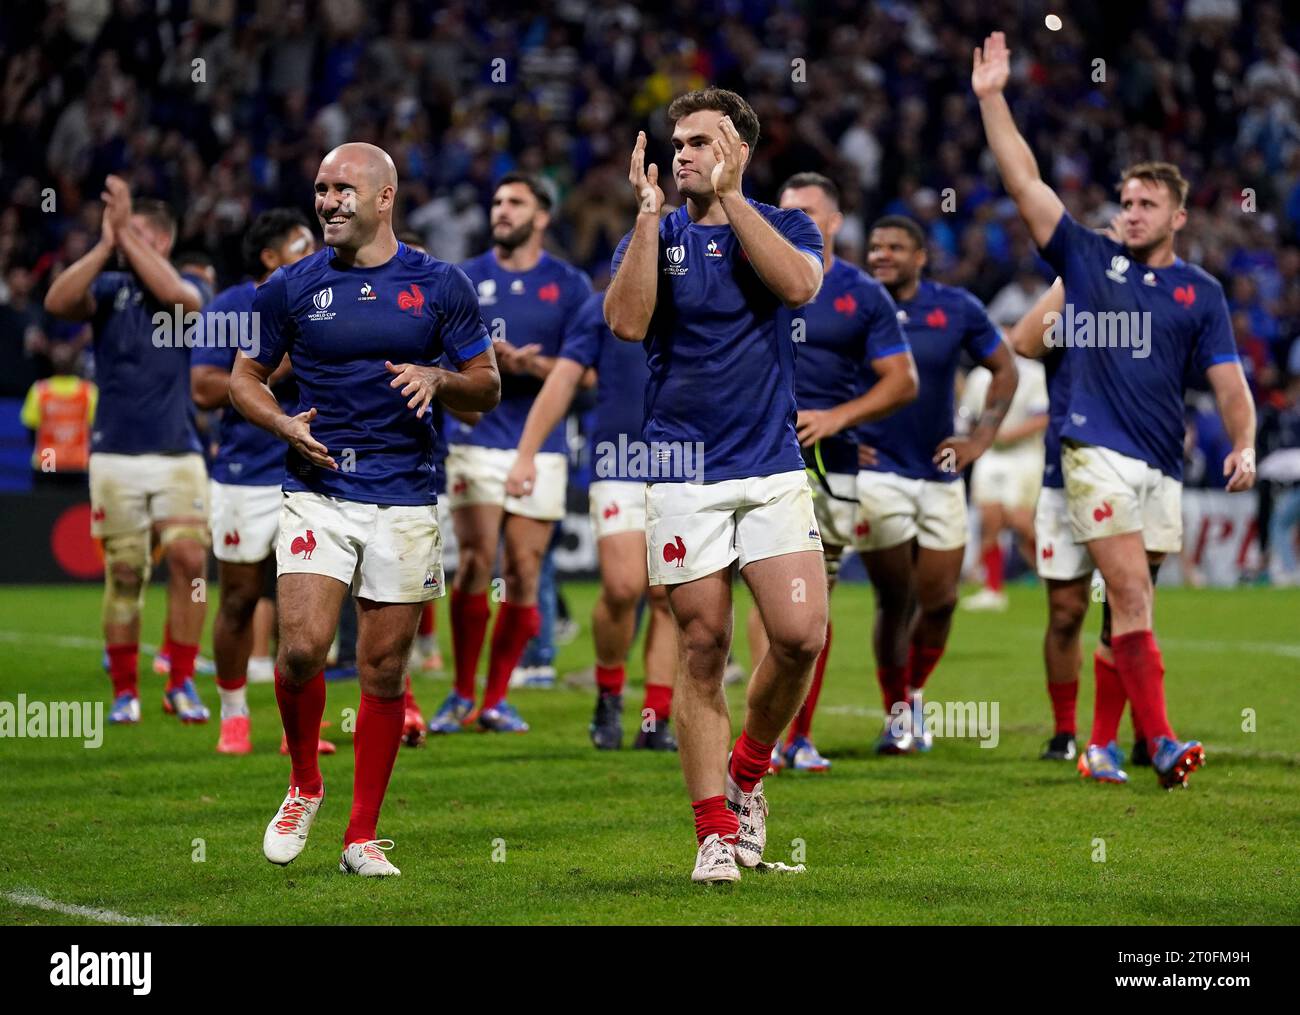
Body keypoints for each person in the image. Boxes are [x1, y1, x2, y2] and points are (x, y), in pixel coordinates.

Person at [974, 31, 1256, 788]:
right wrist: (993, 98)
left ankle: (1102, 745)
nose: (1129, 211)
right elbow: (1027, 182)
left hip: (1161, 460)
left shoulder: (1202, 293)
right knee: (1111, 597)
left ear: (1177, 216)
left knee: (1123, 607)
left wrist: (1244, 442)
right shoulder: (1089, 260)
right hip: (1087, 451)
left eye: (1146, 203)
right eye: (1124, 200)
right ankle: (1156, 741)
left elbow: (1229, 379)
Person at [230, 142, 500, 876]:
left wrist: (439, 379)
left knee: (382, 672)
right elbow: (244, 378)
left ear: (386, 198)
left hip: (406, 494)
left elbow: (487, 386)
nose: (329, 201)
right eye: (320, 189)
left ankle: (360, 836)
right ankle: (303, 782)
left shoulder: (440, 284)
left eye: (344, 188)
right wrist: (282, 423)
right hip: (318, 491)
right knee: (300, 650)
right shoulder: (288, 287)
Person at [604, 88, 827, 884]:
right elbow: (626, 324)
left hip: (769, 465)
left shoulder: (787, 224)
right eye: (678, 141)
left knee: (801, 634)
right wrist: (642, 216)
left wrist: (732, 198)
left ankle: (748, 771)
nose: (683, 153)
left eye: (701, 141)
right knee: (703, 649)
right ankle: (712, 832)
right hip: (682, 471)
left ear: (738, 151)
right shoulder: (655, 232)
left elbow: (799, 288)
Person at [745, 172, 918, 773]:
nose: (793, 220)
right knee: (766, 598)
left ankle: (798, 738)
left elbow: (903, 381)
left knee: (814, 602)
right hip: (756, 454)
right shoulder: (755, 271)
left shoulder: (863, 293)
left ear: (838, 221)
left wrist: (839, 418)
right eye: (785, 210)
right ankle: (763, 742)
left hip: (832, 463)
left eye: (808, 212)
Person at [44, 179, 212, 725]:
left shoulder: (189, 283)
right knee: (125, 572)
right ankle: (124, 691)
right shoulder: (109, 286)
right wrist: (103, 245)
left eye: (137, 233)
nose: (124, 241)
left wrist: (123, 233)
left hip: (177, 451)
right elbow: (56, 301)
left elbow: (176, 300)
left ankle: (181, 682)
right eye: (123, 232)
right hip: (115, 453)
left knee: (189, 562)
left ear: (160, 240)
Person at [429, 173, 591, 735]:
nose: (501, 209)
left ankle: (495, 698)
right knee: (476, 561)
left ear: (541, 217)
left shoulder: (569, 285)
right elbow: (436, 362)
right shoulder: (465, 278)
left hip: (540, 445)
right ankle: (459, 693)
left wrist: (532, 366)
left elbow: (588, 373)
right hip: (476, 439)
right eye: (496, 200)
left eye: (514, 202)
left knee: (523, 571)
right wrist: (481, 366)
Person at [862, 214, 1018, 753]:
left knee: (942, 599)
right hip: (875, 470)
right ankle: (898, 715)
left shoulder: (956, 308)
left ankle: (916, 691)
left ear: (920, 256)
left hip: (940, 471)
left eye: (895, 247)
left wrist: (978, 440)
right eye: (876, 246)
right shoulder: (851, 302)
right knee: (894, 597)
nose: (881, 254)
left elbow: (1006, 369)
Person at [506, 287, 680, 751]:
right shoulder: (605, 305)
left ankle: (655, 718)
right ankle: (609, 693)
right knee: (624, 587)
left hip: (687, 461)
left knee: (667, 597)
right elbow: (564, 378)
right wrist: (526, 454)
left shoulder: (699, 293)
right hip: (620, 459)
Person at [191, 208, 321, 755]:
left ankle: (299, 733)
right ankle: (234, 713)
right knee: (241, 598)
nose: (314, 253)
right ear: (270, 258)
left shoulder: (329, 300)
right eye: (301, 246)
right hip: (246, 473)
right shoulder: (229, 307)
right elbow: (202, 387)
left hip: (311, 470)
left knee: (306, 607)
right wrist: (273, 368)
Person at [958, 352, 1049, 612]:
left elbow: (1042, 415)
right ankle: (993, 589)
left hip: (1025, 454)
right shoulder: (979, 376)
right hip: (990, 453)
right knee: (990, 520)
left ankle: (1053, 575)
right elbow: (968, 416)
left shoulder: (1033, 373)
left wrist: (1010, 434)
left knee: (1020, 521)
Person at [21, 341, 96, 486]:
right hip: (78, 464)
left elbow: (31, 429)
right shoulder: (89, 391)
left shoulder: (40, 390)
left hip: (49, 463)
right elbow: (96, 429)